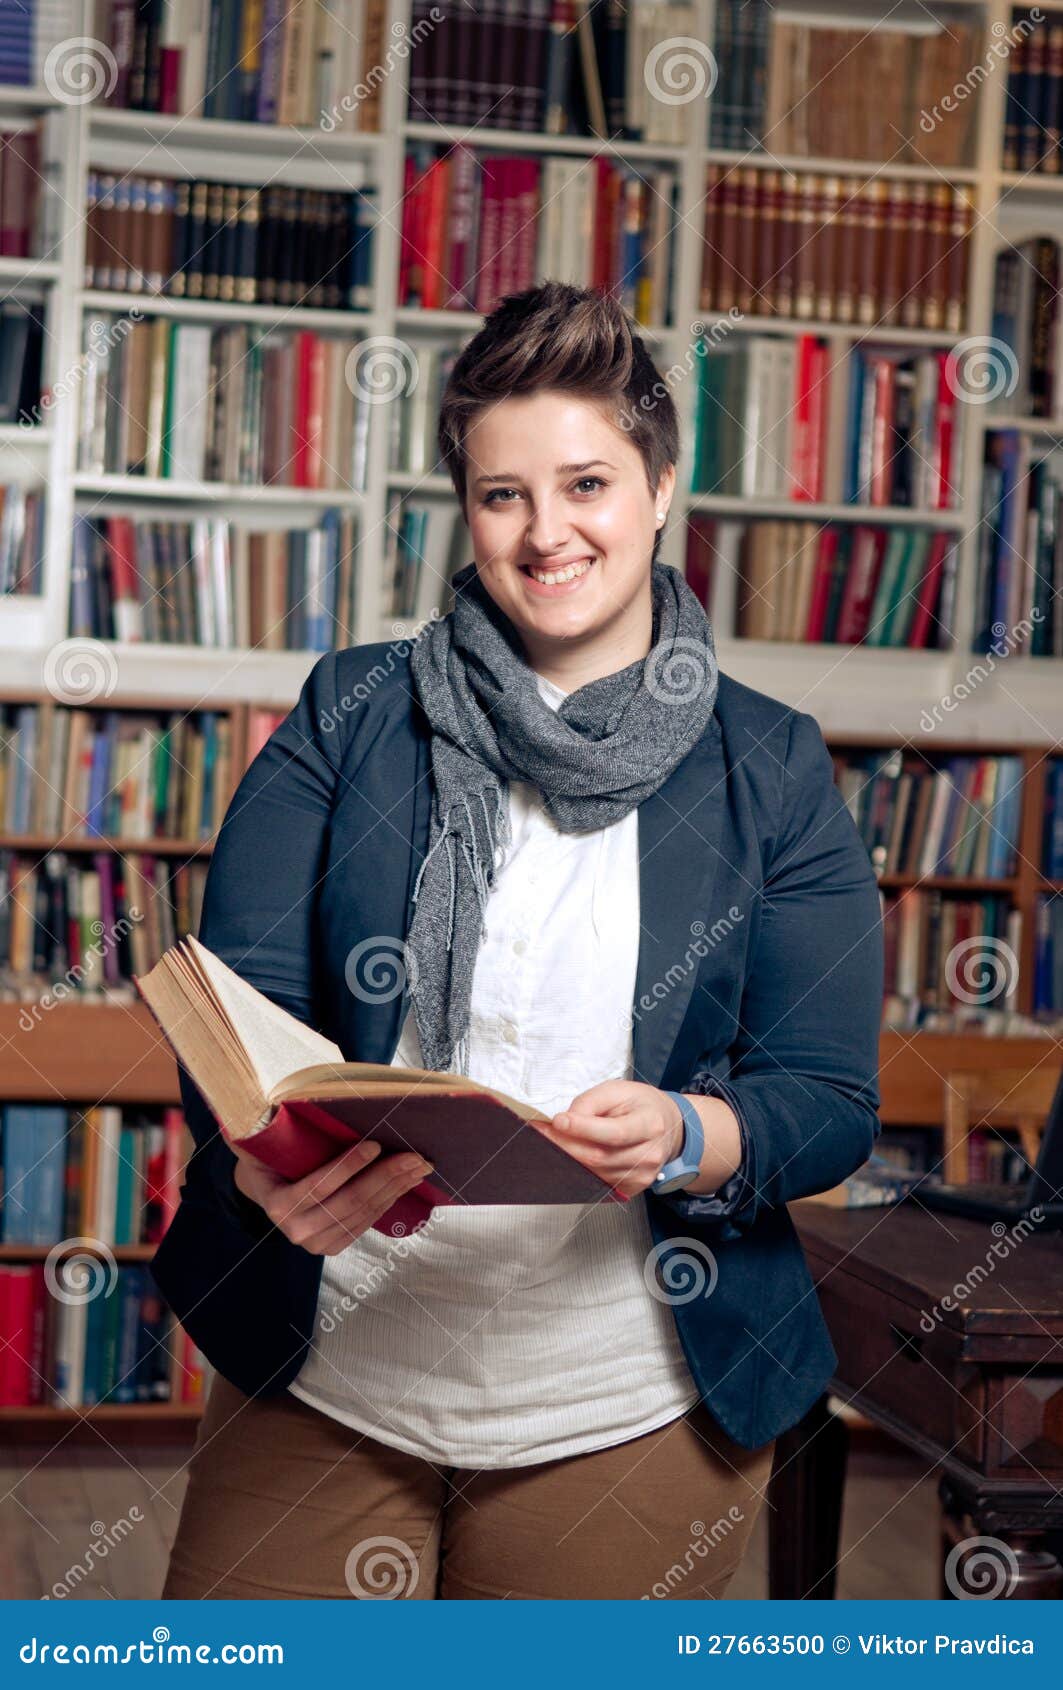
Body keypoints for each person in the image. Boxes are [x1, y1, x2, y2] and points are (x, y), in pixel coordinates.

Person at [153, 282, 884, 1601]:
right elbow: (237, 1014)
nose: (548, 533)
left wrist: (685, 1128)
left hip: (627, 1393)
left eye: (588, 483)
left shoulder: (770, 764)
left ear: (663, 487)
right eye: (503, 495)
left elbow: (825, 1100)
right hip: (335, 1357)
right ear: (468, 513)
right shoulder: (354, 709)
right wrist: (260, 1163)